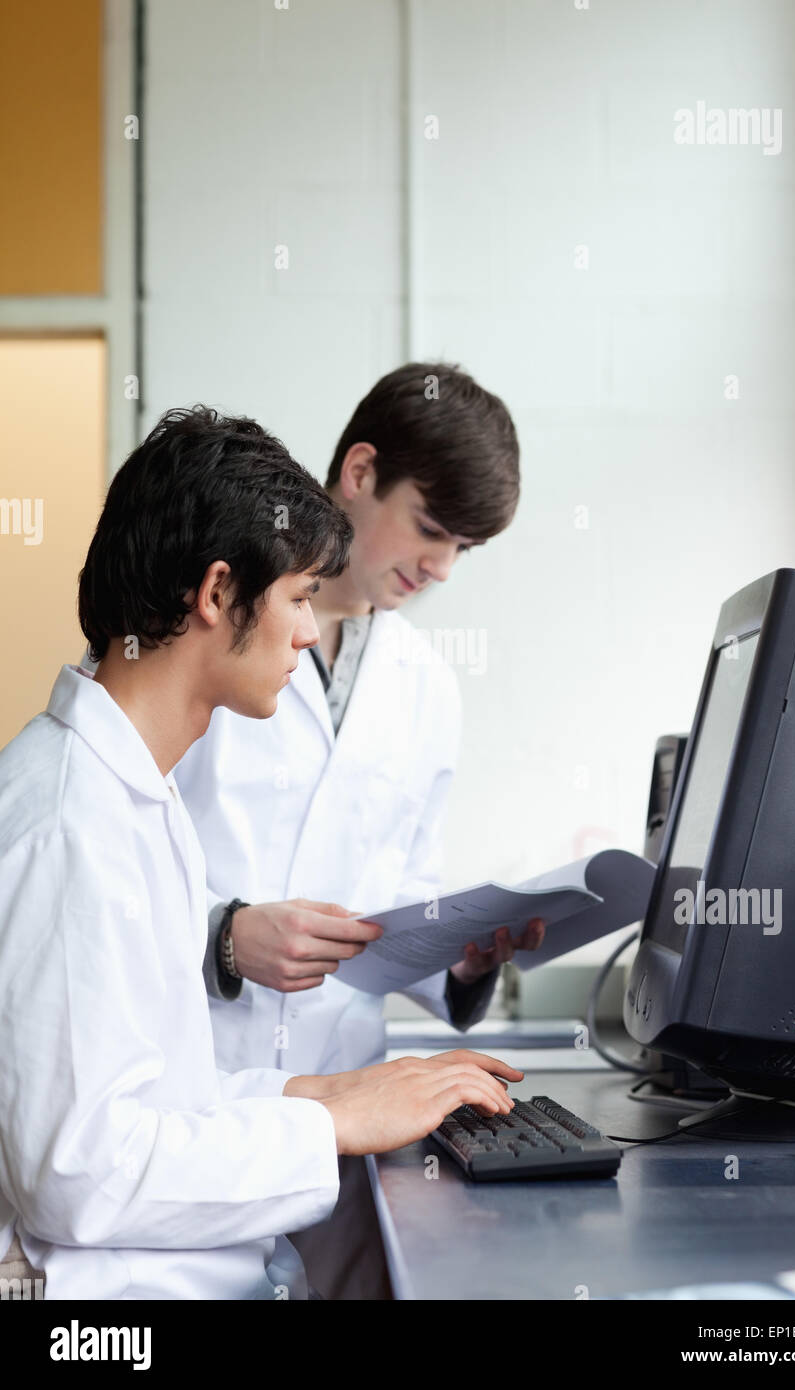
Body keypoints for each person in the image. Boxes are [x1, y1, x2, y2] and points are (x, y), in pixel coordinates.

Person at [0, 406, 523, 1300]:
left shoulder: (130, 792)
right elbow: (78, 1174)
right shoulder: (69, 823)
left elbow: (166, 1101)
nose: (310, 630)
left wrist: (339, 1099)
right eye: (296, 598)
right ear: (215, 595)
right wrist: (329, 1120)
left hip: (215, 1210)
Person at [173, 363, 544, 1297]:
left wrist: (462, 957)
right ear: (361, 471)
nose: (442, 568)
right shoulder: (211, 623)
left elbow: (400, 894)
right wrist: (224, 933)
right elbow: (116, 854)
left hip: (347, 1110)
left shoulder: (426, 685)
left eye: (465, 547)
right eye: (430, 528)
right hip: (199, 1098)